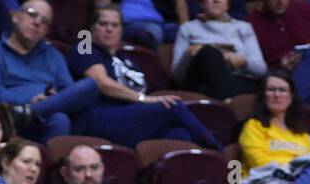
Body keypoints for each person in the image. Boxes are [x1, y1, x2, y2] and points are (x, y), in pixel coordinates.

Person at [69, 3, 221, 150]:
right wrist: (145, 99)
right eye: (103, 24)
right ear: (92, 27)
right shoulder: (85, 48)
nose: (109, 29)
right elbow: (102, 83)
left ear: (121, 30)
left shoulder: (126, 59)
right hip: (100, 117)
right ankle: (216, 149)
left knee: (179, 134)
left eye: (115, 25)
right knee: (173, 106)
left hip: (130, 118)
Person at [0, 1, 100, 141]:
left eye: (44, 21)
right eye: (32, 14)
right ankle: (32, 112)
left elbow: (69, 93)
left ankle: (31, 112)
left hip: (44, 119)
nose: (37, 22)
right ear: (16, 17)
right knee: (60, 117)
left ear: (46, 31)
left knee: (90, 85)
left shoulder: (54, 55)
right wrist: (29, 100)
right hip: (8, 119)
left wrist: (51, 99)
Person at [238, 70, 310, 184]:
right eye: (271, 90)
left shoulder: (302, 135)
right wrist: (294, 170)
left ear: (291, 96)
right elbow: (259, 162)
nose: (277, 95)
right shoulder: (254, 126)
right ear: (263, 95)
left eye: (282, 90)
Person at [248, 0, 310, 106]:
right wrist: (281, 68)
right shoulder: (251, 23)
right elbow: (258, 71)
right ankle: (298, 108)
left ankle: (292, 107)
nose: (280, 2)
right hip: (286, 77)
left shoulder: (307, 9)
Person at [172, 0, 267, 99]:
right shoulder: (187, 28)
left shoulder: (244, 27)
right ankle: (226, 99)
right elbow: (177, 76)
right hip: (200, 82)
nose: (216, 1)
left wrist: (244, 62)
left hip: (236, 80)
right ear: (201, 3)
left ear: (227, 4)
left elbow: (261, 70)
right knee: (208, 52)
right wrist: (188, 55)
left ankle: (223, 98)